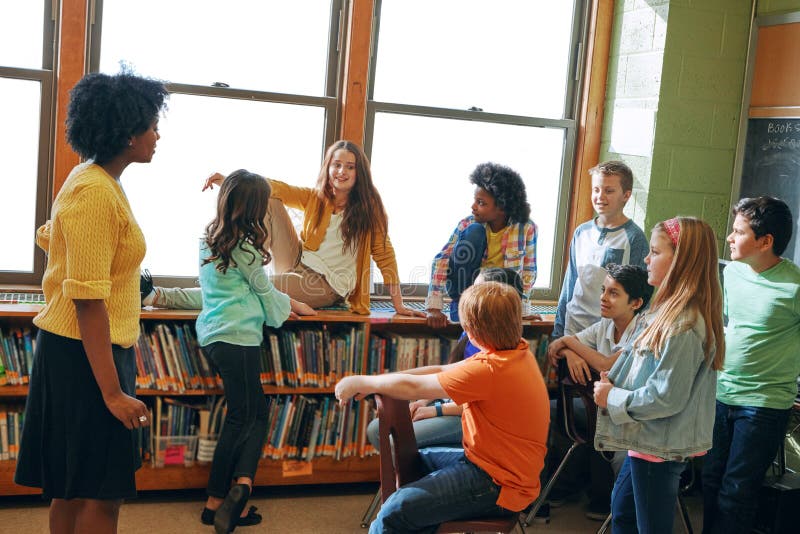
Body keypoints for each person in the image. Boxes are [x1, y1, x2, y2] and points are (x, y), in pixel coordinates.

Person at [14, 71, 168, 534]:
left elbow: (53, 236)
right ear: (128, 133)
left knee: (72, 486)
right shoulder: (96, 191)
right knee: (101, 495)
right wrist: (112, 393)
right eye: (152, 126)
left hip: (80, 351)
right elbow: (86, 300)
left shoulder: (92, 179)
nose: (157, 136)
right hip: (85, 355)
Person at [336, 282, 550, 533]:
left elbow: (415, 388)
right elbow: (439, 370)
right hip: (488, 465)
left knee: (394, 512)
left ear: (472, 331)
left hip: (499, 484)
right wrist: (374, 381)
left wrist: (362, 382)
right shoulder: (513, 352)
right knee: (413, 463)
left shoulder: (491, 370)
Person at [143, 140, 425, 317]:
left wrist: (399, 305)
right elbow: (274, 187)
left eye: (349, 167)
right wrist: (231, 181)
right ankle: (245, 264)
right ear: (328, 168)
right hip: (297, 263)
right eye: (336, 165)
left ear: (359, 172)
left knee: (244, 288)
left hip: (324, 285)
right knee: (270, 199)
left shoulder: (369, 210)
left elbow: (385, 256)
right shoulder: (316, 198)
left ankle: (161, 296)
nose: (342, 172)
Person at [195, 170, 316, 533]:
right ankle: (218, 499)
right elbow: (264, 292)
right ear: (255, 209)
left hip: (214, 335)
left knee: (254, 413)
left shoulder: (207, 241)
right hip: (239, 338)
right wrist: (295, 305)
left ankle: (242, 484)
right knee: (243, 417)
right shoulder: (246, 248)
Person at [593, 217, 725, 534]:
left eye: (655, 252)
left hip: (657, 447)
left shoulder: (683, 325)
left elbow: (665, 397)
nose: (646, 259)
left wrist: (612, 396)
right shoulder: (666, 313)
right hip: (646, 441)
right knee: (623, 512)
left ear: (681, 260)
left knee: (649, 525)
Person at [702, 197, 800, 534]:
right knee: (711, 479)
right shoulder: (732, 273)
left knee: (737, 491)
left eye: (739, 232)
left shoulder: (795, 285)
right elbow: (728, 325)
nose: (729, 237)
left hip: (763, 404)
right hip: (722, 393)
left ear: (765, 241)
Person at [365, 267, 534, 451]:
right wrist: (424, 400)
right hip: (450, 404)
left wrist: (435, 410)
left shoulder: (504, 351)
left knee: (390, 437)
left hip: (473, 417)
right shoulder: (472, 333)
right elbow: (447, 374)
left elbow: (480, 403)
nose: (469, 295)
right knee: (376, 429)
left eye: (478, 290)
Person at [539, 264, 653, 522]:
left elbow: (605, 364)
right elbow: (556, 347)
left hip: (632, 415)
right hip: (602, 407)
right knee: (549, 411)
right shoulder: (605, 325)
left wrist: (570, 342)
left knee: (602, 431)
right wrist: (570, 352)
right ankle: (562, 487)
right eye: (603, 290)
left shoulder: (643, 330)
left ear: (636, 303)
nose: (603, 298)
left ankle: (604, 498)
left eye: (613, 293)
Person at [425, 162, 537, 327]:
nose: (473, 207)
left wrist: (522, 310)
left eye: (481, 203)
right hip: (468, 292)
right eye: (475, 200)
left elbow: (528, 271)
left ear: (502, 208)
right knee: (474, 231)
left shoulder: (526, 228)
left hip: (499, 298)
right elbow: (442, 260)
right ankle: (462, 303)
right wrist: (434, 307)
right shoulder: (467, 224)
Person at [553, 161, 648, 340]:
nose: (600, 196)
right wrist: (558, 331)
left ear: (626, 195)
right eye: (596, 190)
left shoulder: (635, 238)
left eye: (609, 191)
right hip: (572, 329)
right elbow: (570, 283)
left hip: (606, 338)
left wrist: (629, 341)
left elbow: (641, 296)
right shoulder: (581, 232)